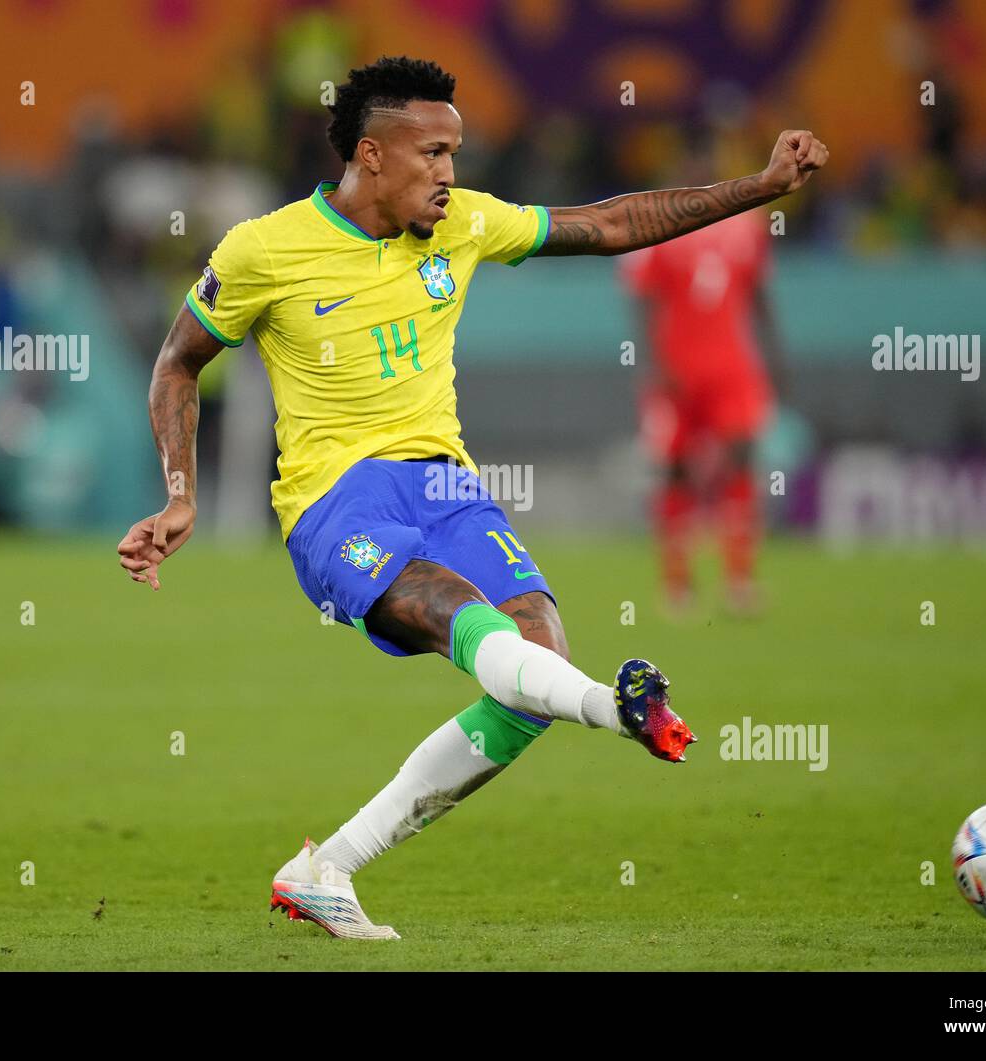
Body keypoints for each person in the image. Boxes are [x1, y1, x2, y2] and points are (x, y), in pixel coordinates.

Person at [118, 57, 827, 939]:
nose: (450, 172)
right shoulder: (265, 248)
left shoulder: (464, 224)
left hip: (447, 486)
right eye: (433, 153)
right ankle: (618, 708)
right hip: (338, 501)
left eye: (456, 152)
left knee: (538, 654)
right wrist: (180, 493)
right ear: (371, 155)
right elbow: (179, 359)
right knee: (466, 620)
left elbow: (610, 223)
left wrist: (758, 187)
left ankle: (327, 866)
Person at [621, 157, 786, 615]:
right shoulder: (660, 221)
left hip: (733, 368)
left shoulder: (747, 225)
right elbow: (644, 300)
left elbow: (760, 296)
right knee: (675, 471)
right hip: (678, 369)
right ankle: (678, 586)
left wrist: (775, 359)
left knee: (741, 465)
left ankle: (739, 581)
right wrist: (653, 363)